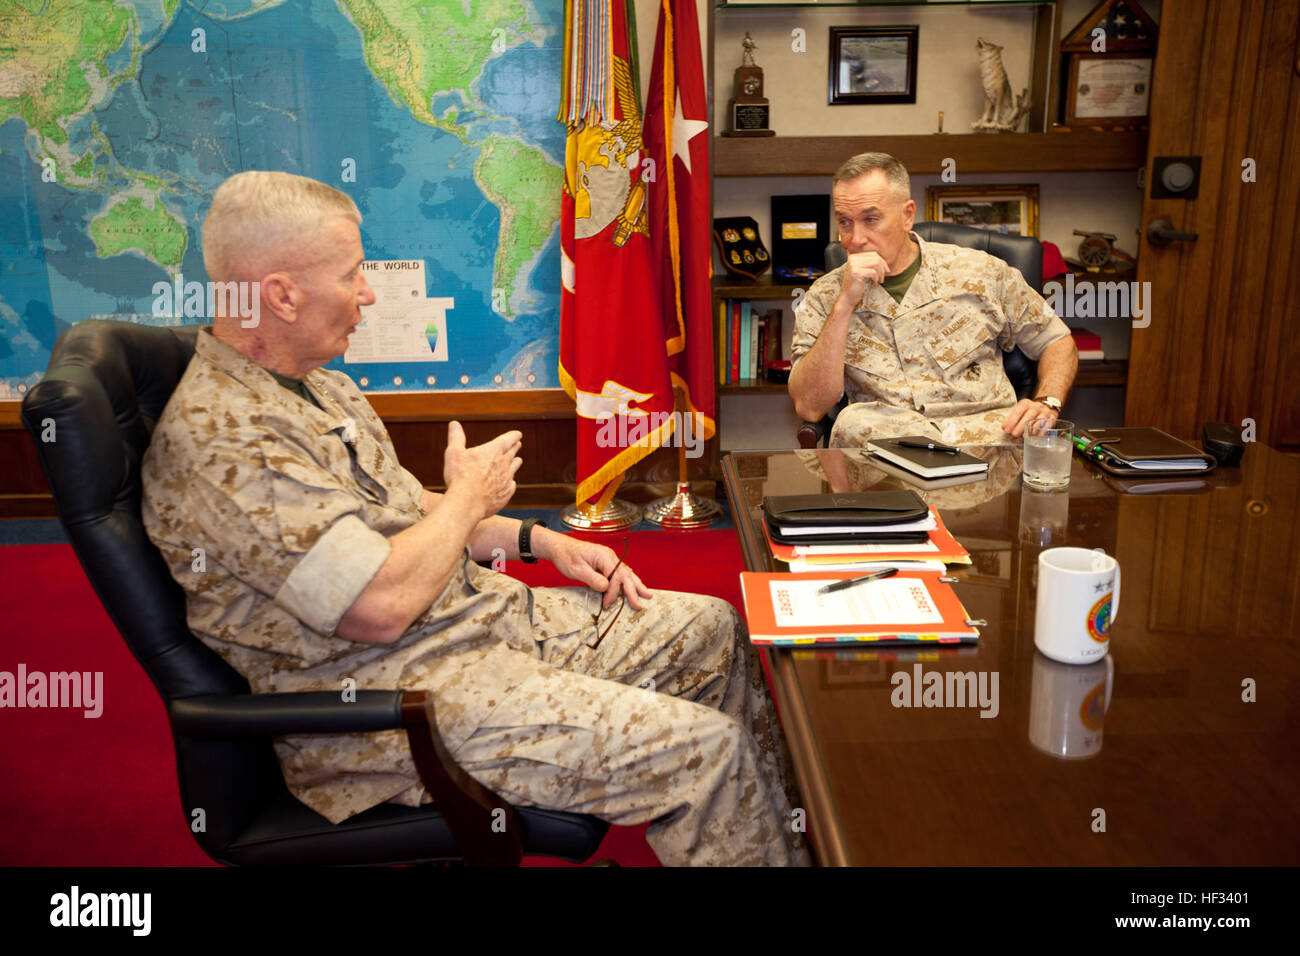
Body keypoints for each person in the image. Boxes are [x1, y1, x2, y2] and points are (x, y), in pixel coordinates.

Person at [141, 171, 810, 867]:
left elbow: (404, 515)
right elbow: (377, 605)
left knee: (713, 633)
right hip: (396, 707)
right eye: (351, 275)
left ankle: (772, 843)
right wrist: (469, 495)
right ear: (280, 295)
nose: (368, 293)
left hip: (478, 632)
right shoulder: (229, 438)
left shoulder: (318, 386)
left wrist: (538, 539)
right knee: (706, 754)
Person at [789, 152, 1077, 447]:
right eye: (845, 222)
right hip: (883, 459)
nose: (855, 238)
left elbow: (1057, 341)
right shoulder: (825, 297)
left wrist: (1047, 401)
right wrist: (844, 306)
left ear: (907, 215)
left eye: (871, 219)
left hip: (985, 449)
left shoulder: (982, 272)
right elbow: (810, 407)